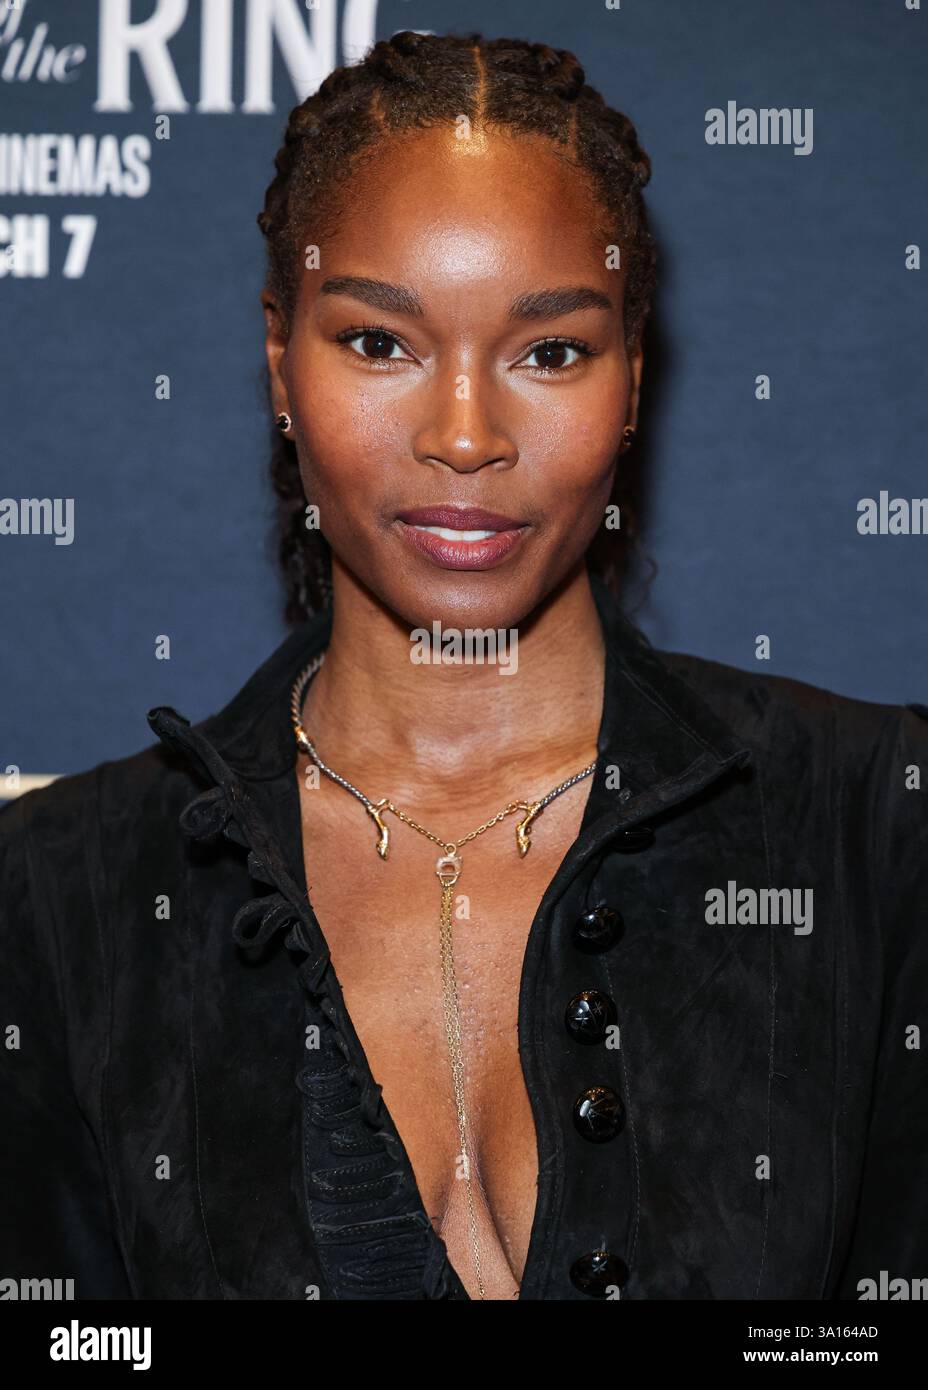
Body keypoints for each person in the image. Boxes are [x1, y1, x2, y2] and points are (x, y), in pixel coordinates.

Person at [1, 30, 925, 1303]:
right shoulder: (59, 898)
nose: (465, 436)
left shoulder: (878, 826)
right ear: (281, 360)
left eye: (550, 352)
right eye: (380, 343)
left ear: (634, 374)